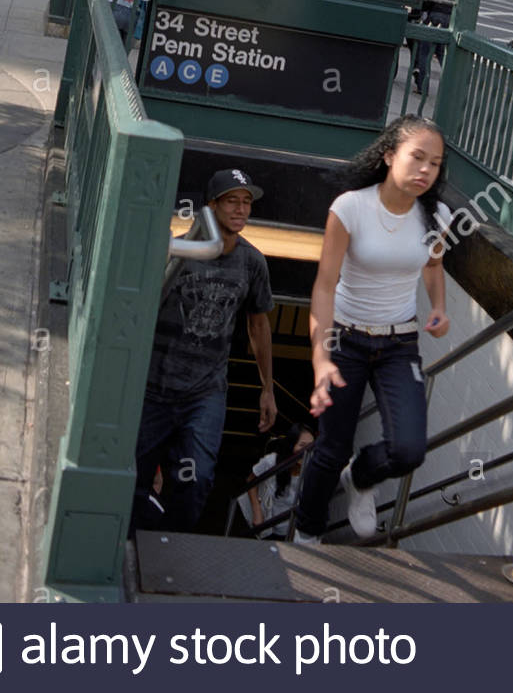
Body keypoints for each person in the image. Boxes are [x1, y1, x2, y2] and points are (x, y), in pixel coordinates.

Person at [293, 116, 452, 544]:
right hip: (345, 337)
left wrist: (438, 305)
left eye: (434, 164)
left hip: (399, 342)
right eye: (416, 158)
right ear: (388, 156)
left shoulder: (437, 215)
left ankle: (360, 479)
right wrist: (321, 358)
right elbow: (324, 287)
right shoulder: (350, 208)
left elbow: (433, 265)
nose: (425, 170)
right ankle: (306, 536)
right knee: (330, 449)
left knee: (408, 450)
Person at [131, 168, 276, 534]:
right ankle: (132, 546)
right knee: (132, 478)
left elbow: (258, 325)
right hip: (154, 388)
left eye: (246, 203)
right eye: (232, 201)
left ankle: (172, 547)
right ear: (211, 207)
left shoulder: (252, 263)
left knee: (196, 481)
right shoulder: (179, 252)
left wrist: (267, 388)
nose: (242, 209)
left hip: (204, 392)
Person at [239, 421, 317, 538]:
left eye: (310, 446)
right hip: (269, 522)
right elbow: (251, 481)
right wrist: (257, 511)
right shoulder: (272, 462)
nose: (306, 451)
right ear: (291, 445)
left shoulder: (312, 466)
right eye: (302, 445)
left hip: (292, 528)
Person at [413, 0, 461, 93]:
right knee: (442, 53)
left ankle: (423, 86)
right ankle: (450, 85)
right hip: (449, 19)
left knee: (425, 52)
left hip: (435, 16)